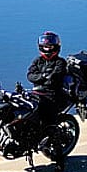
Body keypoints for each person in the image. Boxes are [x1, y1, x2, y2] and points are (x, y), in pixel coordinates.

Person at [26, 31, 73, 165]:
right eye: (45, 46)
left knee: (51, 128)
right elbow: (30, 75)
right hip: (37, 93)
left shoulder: (60, 62)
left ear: (56, 47)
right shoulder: (38, 60)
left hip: (53, 97)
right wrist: (43, 77)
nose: (47, 49)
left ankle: (59, 163)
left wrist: (42, 77)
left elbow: (54, 79)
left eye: (50, 47)